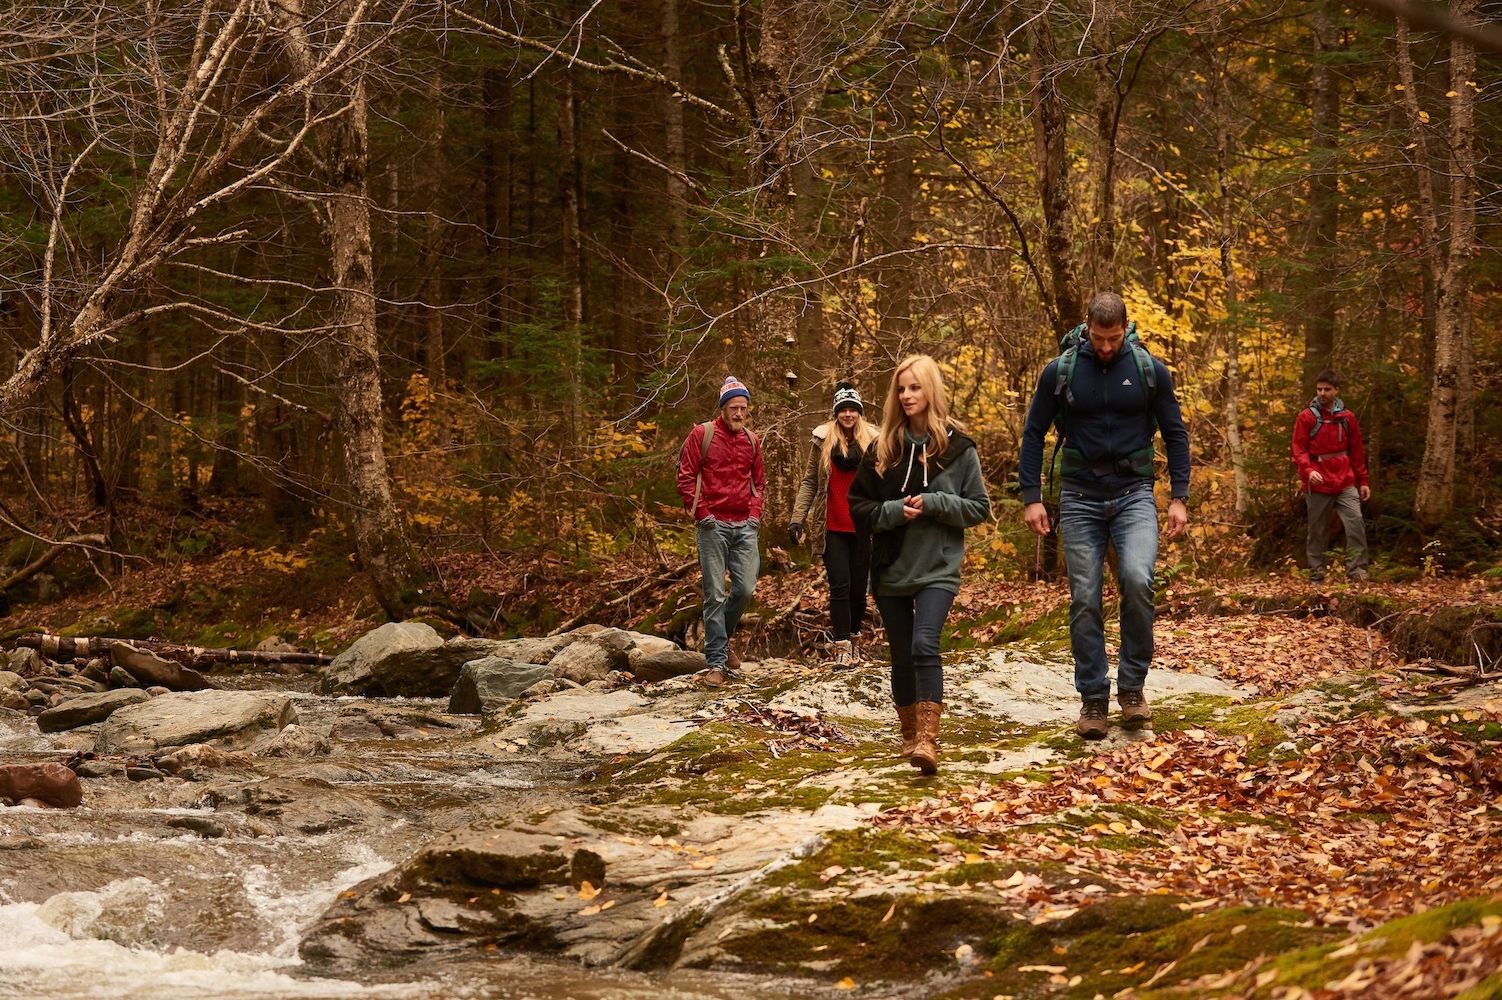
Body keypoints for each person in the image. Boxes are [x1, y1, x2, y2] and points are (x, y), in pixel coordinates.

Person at [1018, 292, 1190, 741]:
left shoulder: (1150, 370)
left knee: (1137, 578)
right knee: (1085, 596)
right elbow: (1034, 433)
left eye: (1113, 339)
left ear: (1126, 330)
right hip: (1079, 496)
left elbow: (1174, 432)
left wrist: (1179, 497)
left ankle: (1132, 689)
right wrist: (1032, 497)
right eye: (1098, 338)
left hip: (1134, 492)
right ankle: (1093, 698)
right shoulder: (1061, 370)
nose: (1106, 347)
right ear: (1087, 329)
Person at [848, 356, 990, 775]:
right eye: (902, 389)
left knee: (924, 643)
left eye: (915, 388)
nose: (907, 396)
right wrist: (894, 511)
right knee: (901, 653)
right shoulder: (882, 449)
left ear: (932, 391)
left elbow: (979, 507)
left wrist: (936, 503)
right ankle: (909, 735)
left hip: (938, 568)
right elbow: (858, 506)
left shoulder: (958, 448)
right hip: (891, 567)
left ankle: (928, 740)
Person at [677, 376, 765, 688]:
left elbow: (759, 484)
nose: (739, 413)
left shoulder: (752, 441)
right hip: (712, 525)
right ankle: (716, 662)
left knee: (744, 589)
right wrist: (702, 513)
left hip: (744, 526)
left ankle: (722, 641)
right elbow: (686, 476)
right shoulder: (702, 434)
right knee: (714, 593)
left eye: (743, 408)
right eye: (733, 407)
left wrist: (754, 515)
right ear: (723, 409)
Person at [789, 382, 879, 668]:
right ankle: (841, 646)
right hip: (832, 527)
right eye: (843, 410)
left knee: (857, 591)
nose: (848, 415)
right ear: (836, 413)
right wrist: (797, 518)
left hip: (864, 527)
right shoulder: (822, 441)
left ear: (859, 413)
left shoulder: (874, 443)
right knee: (840, 585)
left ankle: (853, 639)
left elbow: (886, 482)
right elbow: (809, 482)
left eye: (853, 410)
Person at [1291, 370, 1370, 584]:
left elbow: (1357, 451)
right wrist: (1309, 471)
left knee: (1355, 523)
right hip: (1317, 483)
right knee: (1317, 530)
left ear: (1336, 390)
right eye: (1319, 389)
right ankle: (1316, 574)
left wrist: (1362, 481)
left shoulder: (1347, 418)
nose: (1323, 393)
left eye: (1327, 389)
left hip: (1345, 481)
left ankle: (1357, 571)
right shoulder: (1306, 417)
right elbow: (1298, 449)